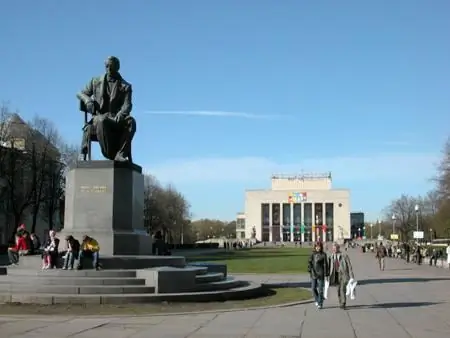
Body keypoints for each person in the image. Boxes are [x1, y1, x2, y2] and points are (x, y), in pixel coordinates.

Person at [77, 56, 135, 162]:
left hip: (115, 118)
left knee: (131, 122)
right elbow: (80, 93)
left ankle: (120, 154)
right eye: (107, 66)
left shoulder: (125, 86)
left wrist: (121, 114)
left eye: (111, 66)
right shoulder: (95, 81)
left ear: (117, 68)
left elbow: (128, 105)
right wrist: (87, 100)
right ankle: (111, 155)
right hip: (99, 117)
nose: (108, 69)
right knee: (101, 120)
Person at [328, 242, 355, 310]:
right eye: (333, 248)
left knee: (342, 288)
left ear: (338, 248)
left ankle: (343, 303)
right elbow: (329, 267)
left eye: (335, 248)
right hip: (335, 274)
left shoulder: (344, 255)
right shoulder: (331, 256)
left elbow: (349, 265)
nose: (334, 249)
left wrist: (351, 275)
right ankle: (340, 302)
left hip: (343, 274)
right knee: (338, 290)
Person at [308, 241, 329, 309]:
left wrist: (326, 274)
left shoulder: (323, 254)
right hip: (314, 273)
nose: (318, 248)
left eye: (319, 246)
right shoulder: (312, 254)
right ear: (315, 247)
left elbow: (325, 264)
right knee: (313, 288)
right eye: (317, 246)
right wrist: (310, 270)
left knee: (320, 290)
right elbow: (310, 263)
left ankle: (320, 303)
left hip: (321, 273)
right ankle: (317, 299)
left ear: (321, 247)